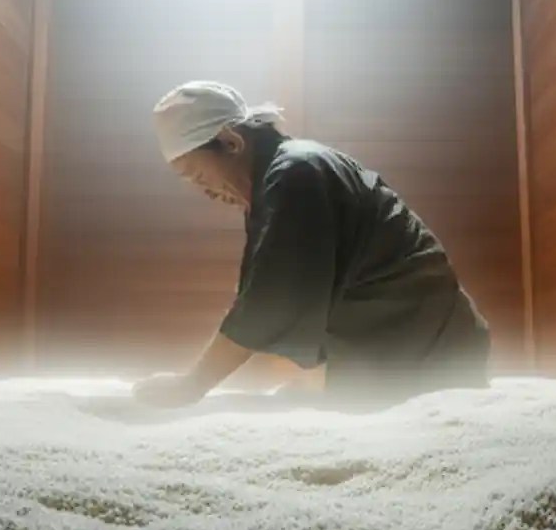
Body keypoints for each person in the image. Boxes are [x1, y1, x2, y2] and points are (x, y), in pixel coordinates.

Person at [133, 81, 490, 407]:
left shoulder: (295, 174)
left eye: (198, 175)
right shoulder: (286, 173)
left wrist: (191, 385)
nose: (205, 192)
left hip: (432, 355)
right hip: (414, 350)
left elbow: (266, 303)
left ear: (231, 142)